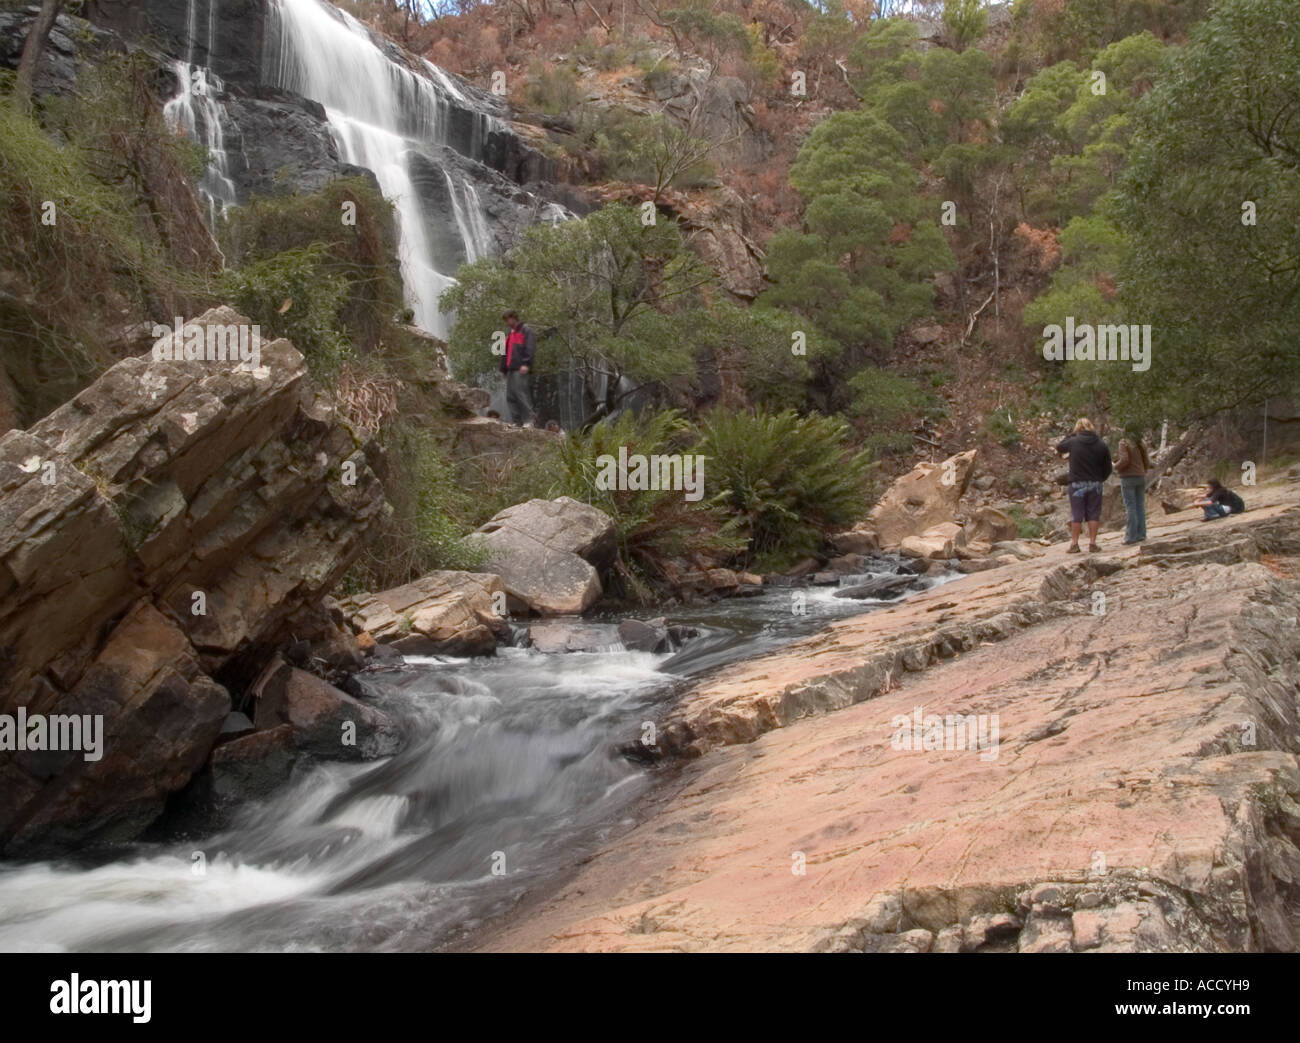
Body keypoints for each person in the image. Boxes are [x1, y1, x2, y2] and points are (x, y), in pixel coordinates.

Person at [1055, 417, 1113, 553]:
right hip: (1095, 482)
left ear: (1078, 429)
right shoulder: (1101, 444)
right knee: (1094, 513)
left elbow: (1059, 447)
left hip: (1077, 483)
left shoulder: (1073, 442)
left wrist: (1072, 434)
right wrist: (1100, 478)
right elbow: (1108, 467)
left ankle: (1075, 544)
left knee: (1077, 514)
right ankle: (1092, 543)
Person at [499, 310, 536, 427]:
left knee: (521, 394)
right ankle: (517, 421)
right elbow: (505, 352)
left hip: (520, 368)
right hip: (510, 369)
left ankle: (529, 420)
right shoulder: (510, 333)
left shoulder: (526, 330)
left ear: (514, 318)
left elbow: (530, 347)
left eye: (508, 319)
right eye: (506, 320)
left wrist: (526, 363)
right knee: (510, 396)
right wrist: (503, 369)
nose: (507, 322)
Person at [1114, 427, 1149, 545]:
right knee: (1140, 506)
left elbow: (1124, 460)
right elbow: (1147, 460)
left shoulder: (1124, 443)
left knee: (1130, 507)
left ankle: (1131, 536)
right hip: (1140, 476)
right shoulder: (1140, 443)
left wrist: (1115, 466)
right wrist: (1144, 470)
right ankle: (1141, 534)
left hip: (1128, 477)